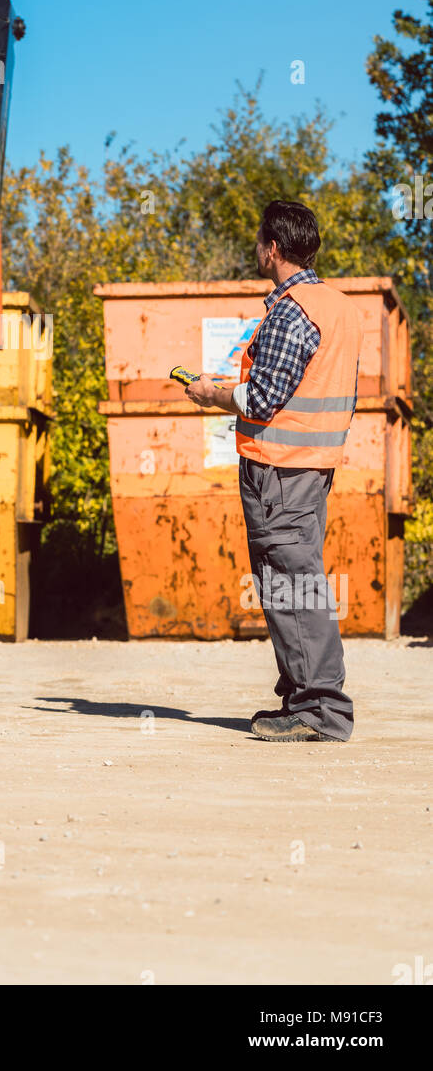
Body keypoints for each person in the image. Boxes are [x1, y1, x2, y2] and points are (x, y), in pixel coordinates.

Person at [186, 200, 362, 742]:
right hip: (308, 468)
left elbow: (262, 398)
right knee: (293, 579)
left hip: (280, 471)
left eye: (260, 241)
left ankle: (319, 707)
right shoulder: (337, 306)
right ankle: (305, 695)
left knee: (290, 582)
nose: (257, 249)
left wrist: (212, 393)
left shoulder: (292, 310)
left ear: (275, 248)